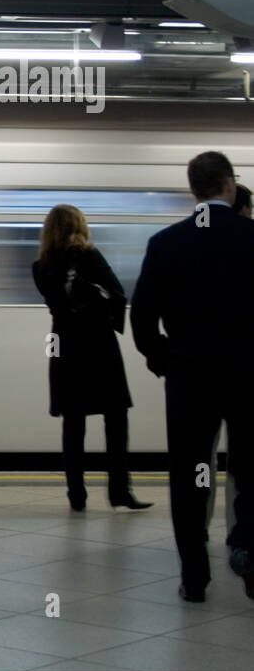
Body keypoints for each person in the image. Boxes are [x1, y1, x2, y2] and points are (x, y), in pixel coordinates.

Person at [131, 151, 254, 602]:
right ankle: (246, 546)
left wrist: (168, 361)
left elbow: (142, 320)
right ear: (228, 184)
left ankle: (195, 578)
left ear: (193, 190)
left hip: (190, 381)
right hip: (248, 377)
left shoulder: (166, 243)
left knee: (191, 475)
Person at [32, 205, 150, 512]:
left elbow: (54, 303)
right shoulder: (90, 256)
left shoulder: (41, 266)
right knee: (115, 418)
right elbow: (118, 294)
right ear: (79, 226)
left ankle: (77, 495)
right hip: (98, 346)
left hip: (64, 347)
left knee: (73, 424)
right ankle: (119, 491)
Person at [205, 185, 252, 544]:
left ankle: (199, 530)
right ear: (242, 208)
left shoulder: (181, 242)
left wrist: (166, 362)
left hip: (198, 375)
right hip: (245, 374)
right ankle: (239, 531)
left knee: (201, 460)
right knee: (243, 462)